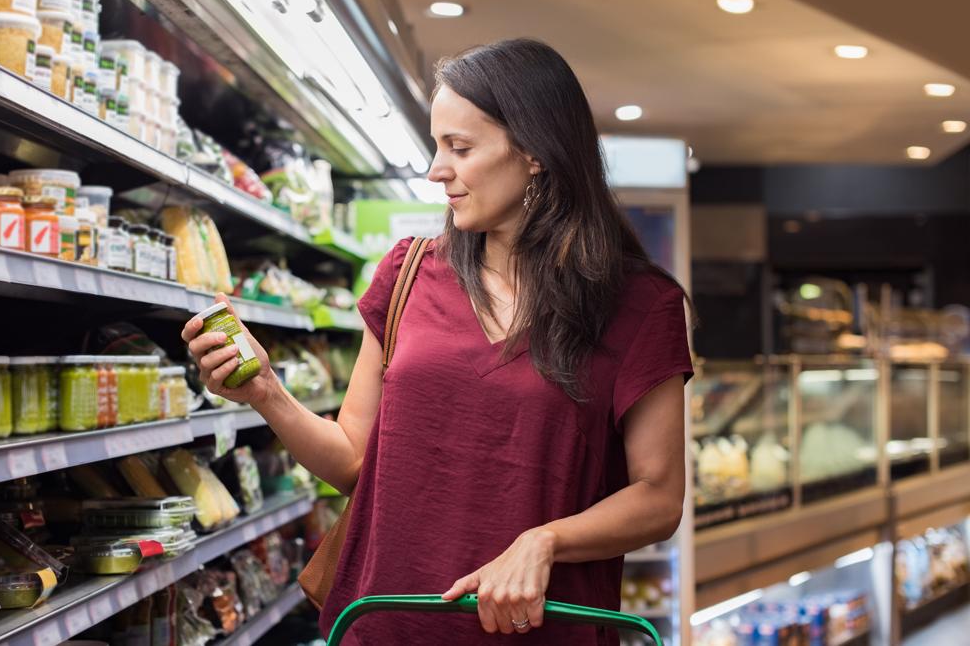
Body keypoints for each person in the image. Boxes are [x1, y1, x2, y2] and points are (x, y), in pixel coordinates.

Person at [182, 38, 692, 644]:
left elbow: (658, 499)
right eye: (436, 145)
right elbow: (353, 461)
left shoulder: (638, 304)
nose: (435, 169)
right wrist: (268, 393)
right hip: (387, 625)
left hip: (543, 631)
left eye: (460, 147)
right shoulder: (408, 273)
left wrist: (546, 540)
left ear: (534, 151)